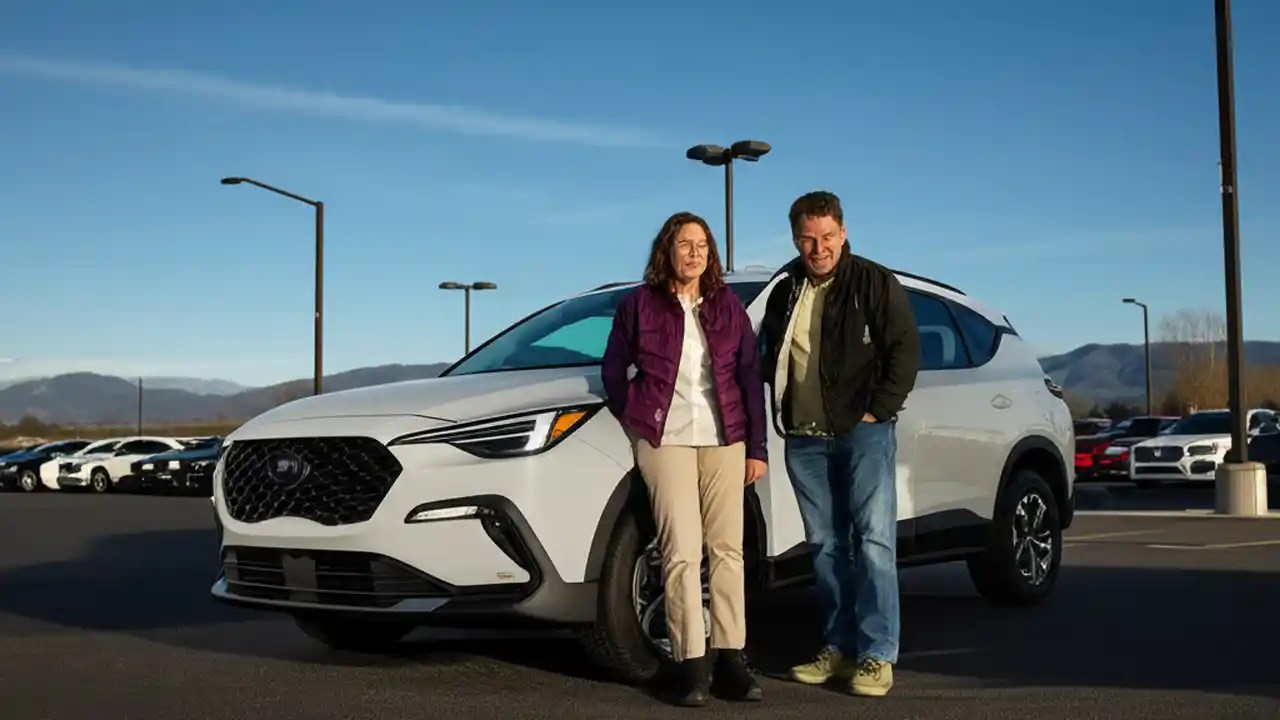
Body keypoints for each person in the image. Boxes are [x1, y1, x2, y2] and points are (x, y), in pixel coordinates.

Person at [601, 211, 768, 707]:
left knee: (728, 551)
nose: (694, 252)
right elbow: (613, 368)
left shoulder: (728, 309)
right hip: (664, 438)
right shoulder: (640, 305)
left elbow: (748, 377)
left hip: (724, 439)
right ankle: (691, 665)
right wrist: (634, 416)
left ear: (710, 254)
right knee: (679, 551)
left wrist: (755, 448)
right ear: (667, 252)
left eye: (702, 245)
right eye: (684, 244)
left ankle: (732, 659)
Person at [757, 190, 920, 697]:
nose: (818, 247)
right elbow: (765, 353)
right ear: (795, 238)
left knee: (873, 543)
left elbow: (904, 349)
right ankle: (837, 646)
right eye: (808, 238)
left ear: (843, 233)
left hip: (862, 433)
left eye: (827, 236)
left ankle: (876, 655)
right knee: (825, 548)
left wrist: (878, 410)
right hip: (804, 439)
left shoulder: (873, 281)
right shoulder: (785, 288)